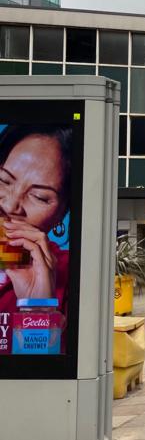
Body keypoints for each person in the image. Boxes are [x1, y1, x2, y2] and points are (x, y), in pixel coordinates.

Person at [0, 125, 74, 325]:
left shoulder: (74, 276)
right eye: (3, 180)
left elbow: (40, 356)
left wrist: (38, 307)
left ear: (62, 214)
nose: (9, 205)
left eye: (39, 197)